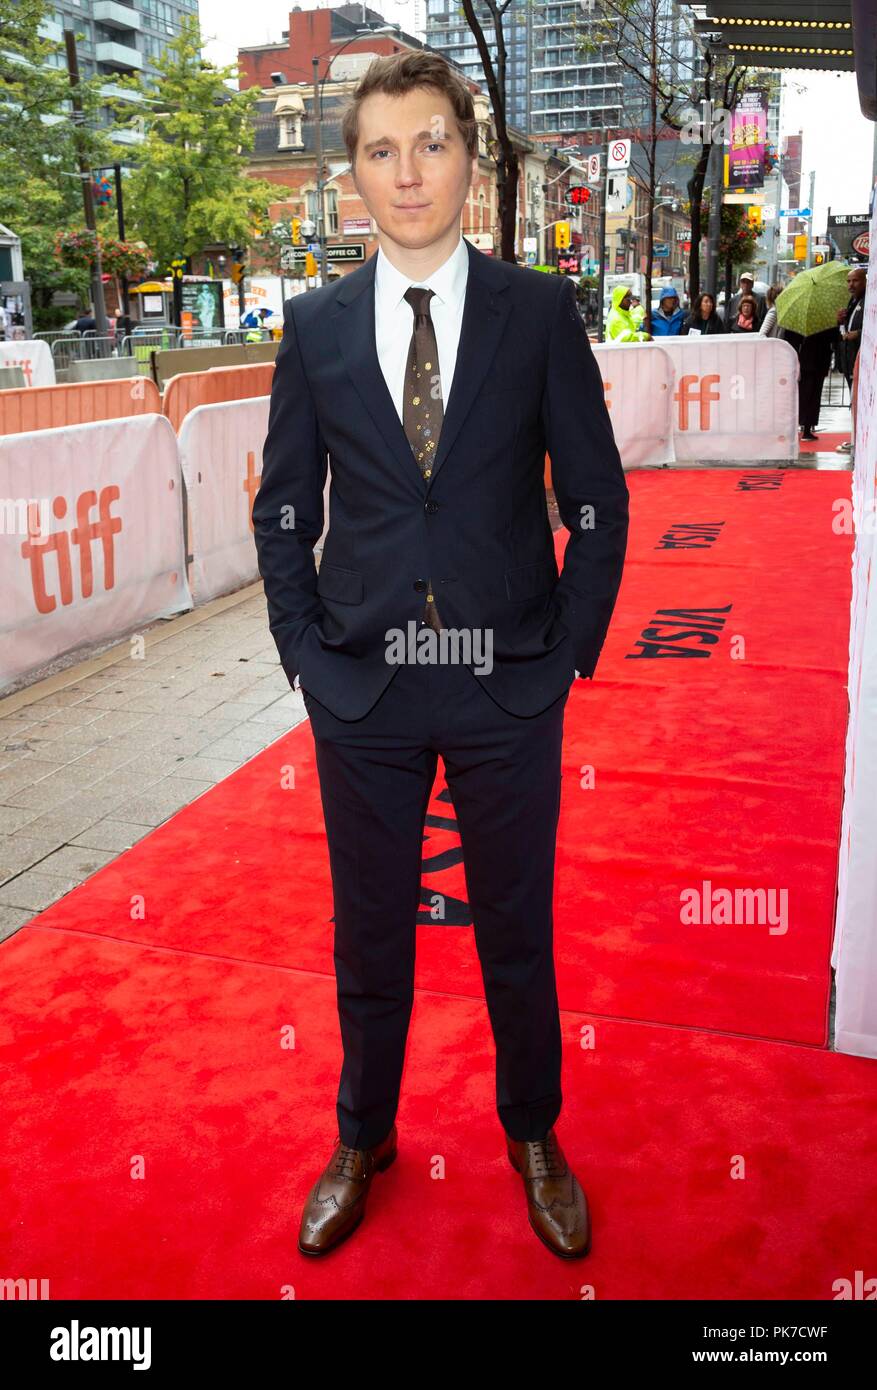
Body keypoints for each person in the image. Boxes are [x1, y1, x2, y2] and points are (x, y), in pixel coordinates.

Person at [252, 49, 629, 1261]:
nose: (407, 173)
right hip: (361, 686)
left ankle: (533, 1133)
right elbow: (282, 507)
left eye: (430, 143)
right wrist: (304, 650)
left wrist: (565, 649)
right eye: (379, 149)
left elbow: (597, 498)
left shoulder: (537, 314)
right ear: (350, 172)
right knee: (367, 930)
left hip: (504, 682)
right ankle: (361, 1136)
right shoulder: (311, 328)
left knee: (516, 922)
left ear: (470, 154)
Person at [782, 325, 838, 441]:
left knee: (803, 396)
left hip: (806, 360)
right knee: (812, 396)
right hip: (816, 361)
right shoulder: (825, 321)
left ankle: (798, 427)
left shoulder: (799, 321)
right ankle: (806, 429)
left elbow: (791, 339)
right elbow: (834, 337)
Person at [836, 265, 866, 453]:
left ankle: (859, 441)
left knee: (861, 404)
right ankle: (855, 439)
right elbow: (843, 332)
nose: (851, 284)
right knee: (854, 404)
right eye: (848, 281)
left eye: (855, 280)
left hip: (862, 363)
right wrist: (840, 322)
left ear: (864, 281)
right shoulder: (852, 302)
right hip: (849, 362)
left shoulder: (868, 301)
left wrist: (859, 334)